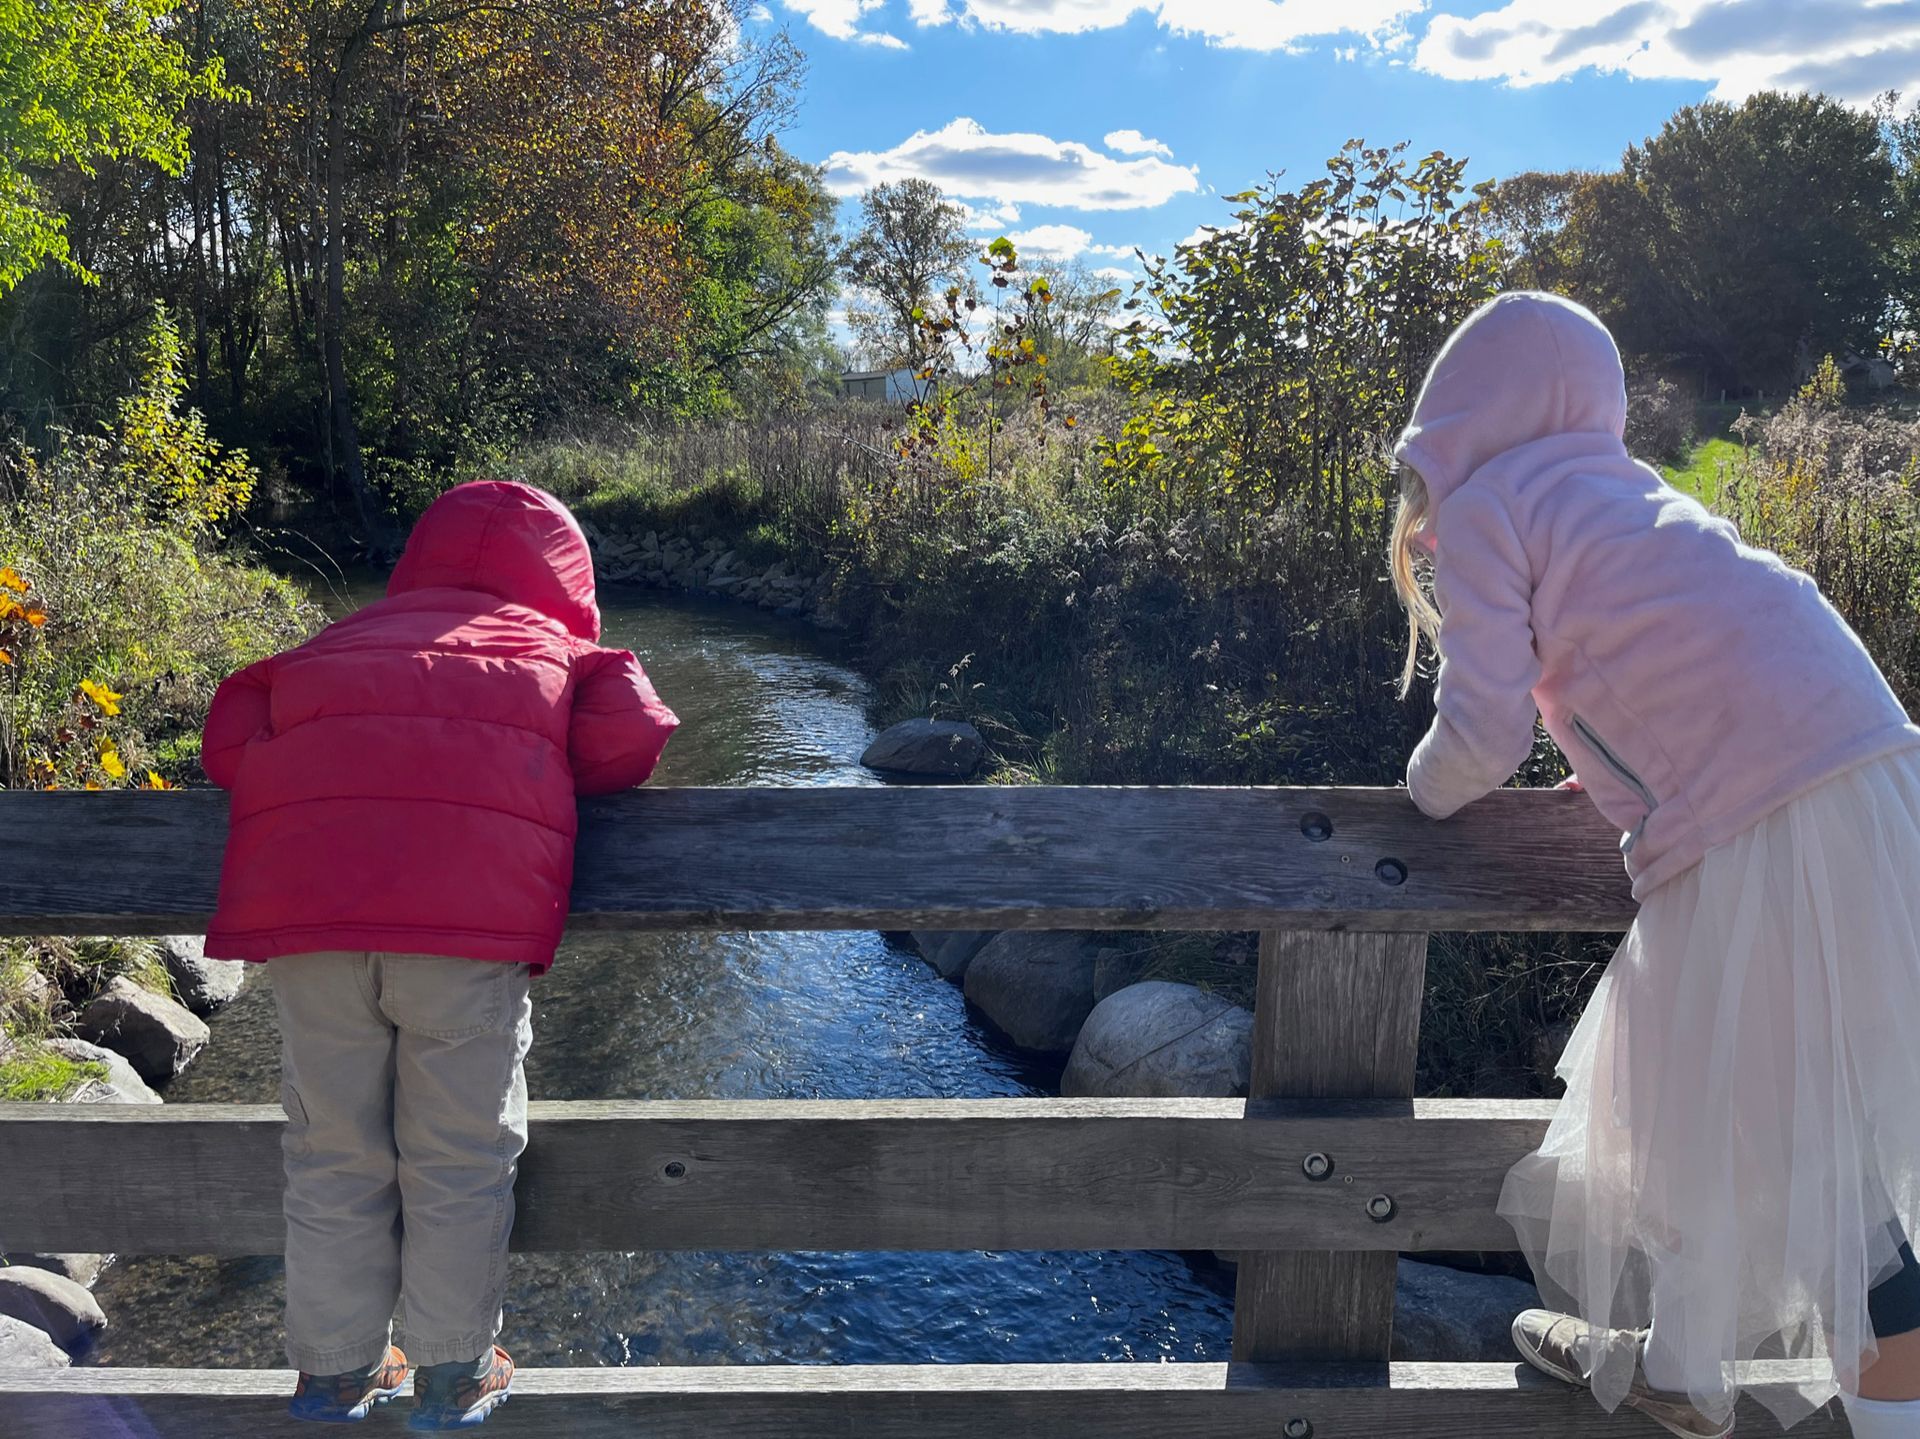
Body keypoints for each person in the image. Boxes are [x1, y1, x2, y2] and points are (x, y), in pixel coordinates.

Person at [1389, 292, 1920, 1437]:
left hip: (1759, 818)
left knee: (1757, 1133)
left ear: (1455, 425)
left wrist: (1415, 801)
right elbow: (1680, 658)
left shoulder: (1488, 507)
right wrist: (1632, 779)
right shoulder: (1633, 491)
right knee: (1808, 1117)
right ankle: (1681, 1361)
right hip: (1873, 777)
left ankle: (1829, 1400)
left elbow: (1484, 734)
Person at [201, 480, 679, 1428]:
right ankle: (453, 1373)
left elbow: (227, 742)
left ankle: (335, 1371)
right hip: (464, 936)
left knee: (332, 1150)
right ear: (564, 579)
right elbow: (635, 736)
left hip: (314, 929)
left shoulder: (330, 644)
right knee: (459, 1155)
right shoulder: (554, 650)